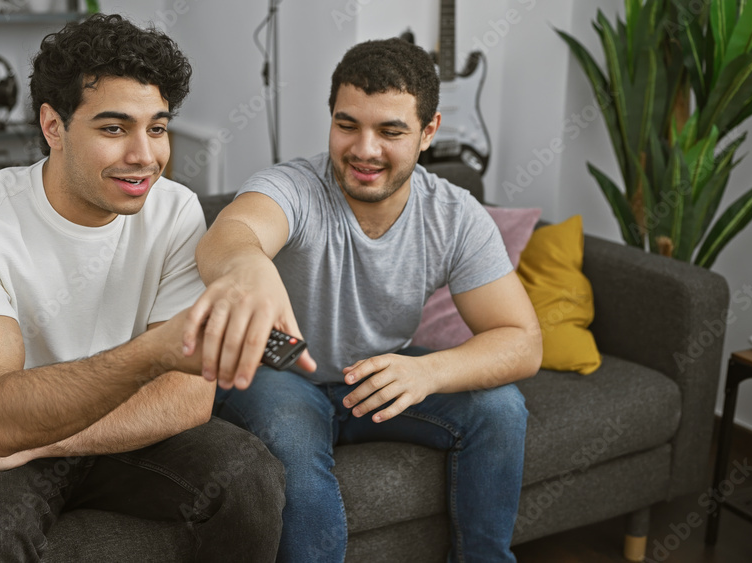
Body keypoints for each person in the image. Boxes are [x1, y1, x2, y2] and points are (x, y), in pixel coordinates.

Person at [0, 14, 284, 562]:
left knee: (249, 475)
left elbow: (188, 399)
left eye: (156, 128)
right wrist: (156, 354)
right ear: (53, 126)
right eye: (114, 129)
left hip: (107, 433)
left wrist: (37, 441)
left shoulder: (176, 211)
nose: (145, 157)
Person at [184, 38, 542, 563]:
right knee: (290, 434)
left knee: (501, 408)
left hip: (373, 372)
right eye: (347, 124)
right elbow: (230, 234)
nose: (364, 149)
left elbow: (523, 343)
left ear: (428, 132)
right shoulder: (294, 188)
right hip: (282, 368)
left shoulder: (455, 215)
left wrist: (428, 373)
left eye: (390, 130)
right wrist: (247, 267)